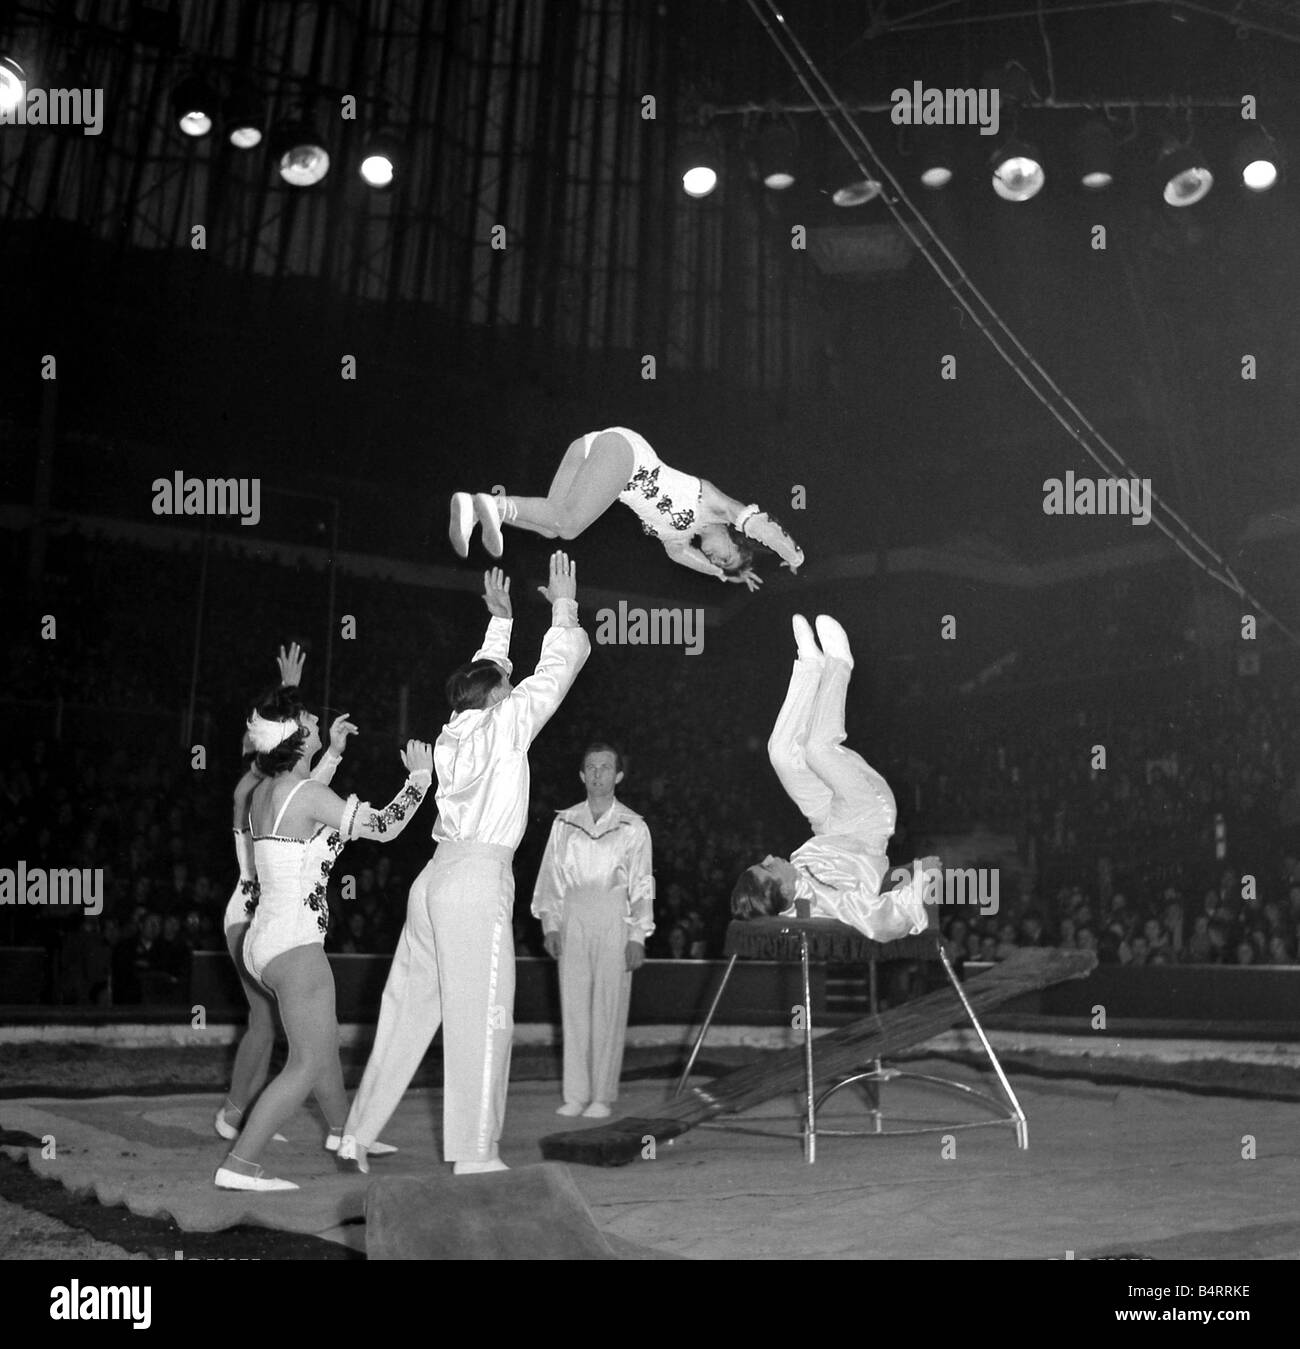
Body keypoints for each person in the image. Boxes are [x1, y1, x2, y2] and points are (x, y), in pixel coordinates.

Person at [338, 554, 590, 1176]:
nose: (511, 687)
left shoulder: (451, 732)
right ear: (497, 696)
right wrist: (564, 607)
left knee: (407, 1006)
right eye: (505, 684)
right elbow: (555, 672)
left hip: (434, 879)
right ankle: (476, 1153)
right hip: (476, 881)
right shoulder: (506, 723)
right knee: (484, 1016)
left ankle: (357, 1134)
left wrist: (500, 625)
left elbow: (486, 679)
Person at [212, 687, 433, 1192]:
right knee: (308, 1061)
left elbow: (309, 808)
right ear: (297, 735)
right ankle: (241, 1163)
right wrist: (419, 781)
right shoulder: (305, 794)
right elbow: (381, 827)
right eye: (310, 717)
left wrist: (332, 752)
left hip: (265, 942)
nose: (318, 717)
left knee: (321, 1043)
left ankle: (345, 1132)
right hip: (295, 947)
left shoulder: (272, 791)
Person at [214, 642, 358, 1149]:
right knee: (271, 1026)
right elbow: (298, 785)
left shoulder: (275, 787)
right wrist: (289, 697)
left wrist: (294, 699)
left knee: (299, 1032)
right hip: (253, 916)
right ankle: (238, 1121)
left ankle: (341, 1129)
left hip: (266, 917)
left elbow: (304, 792)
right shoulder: (253, 791)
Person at [730, 614, 935, 940]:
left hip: (826, 825)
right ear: (779, 887)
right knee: (818, 748)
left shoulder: (791, 888)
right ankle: (840, 662)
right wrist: (921, 880)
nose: (768, 857)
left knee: (781, 755)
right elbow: (881, 923)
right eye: (767, 867)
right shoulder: (823, 901)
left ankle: (809, 664)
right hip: (867, 819)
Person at [448, 426, 803, 592]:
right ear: (735, 539)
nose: (715, 558)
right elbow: (761, 524)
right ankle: (494, 505)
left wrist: (722, 576)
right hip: (626, 456)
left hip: (594, 451)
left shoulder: (676, 537)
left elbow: (683, 558)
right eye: (726, 557)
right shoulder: (717, 506)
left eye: (718, 562)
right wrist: (792, 554)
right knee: (570, 524)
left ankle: (476, 509)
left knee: (554, 525)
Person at [533, 742, 654, 1119]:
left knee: (608, 1006)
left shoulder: (633, 826)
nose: (598, 773)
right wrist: (551, 924)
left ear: (618, 775)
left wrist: (638, 936)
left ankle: (601, 1095)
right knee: (573, 1006)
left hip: (614, 917)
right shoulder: (564, 822)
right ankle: (575, 1093)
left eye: (606, 767)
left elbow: (642, 883)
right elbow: (550, 877)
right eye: (591, 767)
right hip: (574, 916)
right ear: (582, 775)